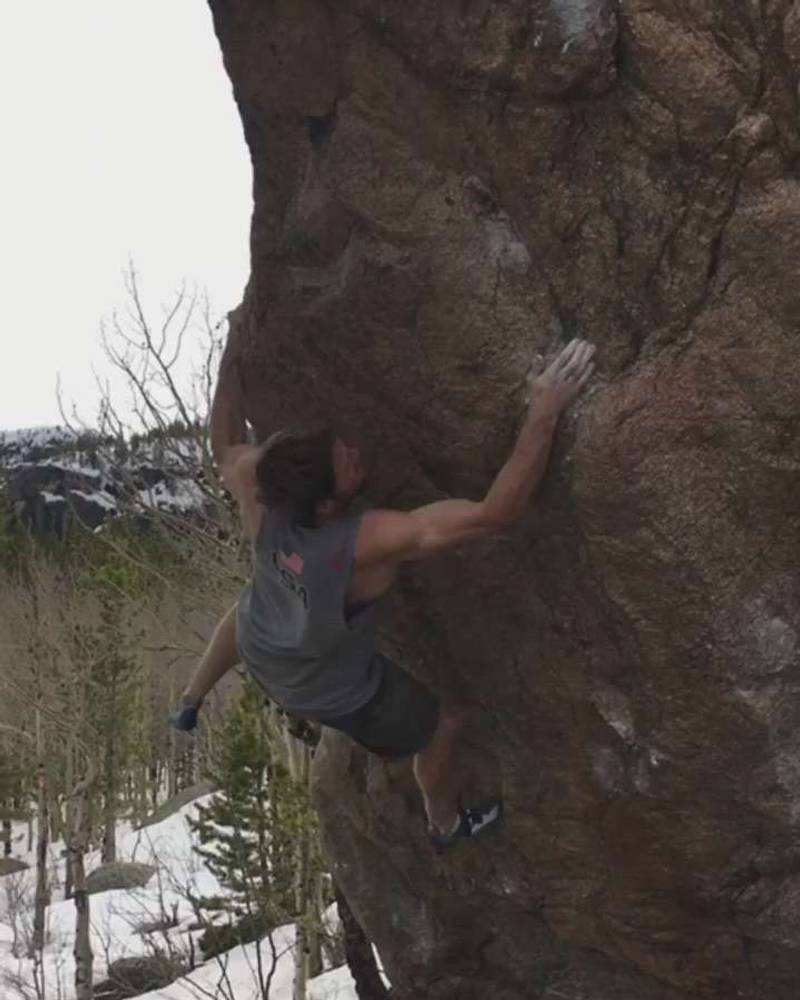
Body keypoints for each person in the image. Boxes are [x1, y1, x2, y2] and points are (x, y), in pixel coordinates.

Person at [170, 337, 596, 847]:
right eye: (344, 462)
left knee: (248, 608)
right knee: (444, 727)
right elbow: (494, 513)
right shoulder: (359, 543)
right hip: (327, 688)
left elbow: (223, 446)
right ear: (328, 507)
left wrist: (231, 361)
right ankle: (444, 822)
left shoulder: (263, 492)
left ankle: (191, 697)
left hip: (264, 640)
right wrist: (545, 412)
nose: (352, 449)